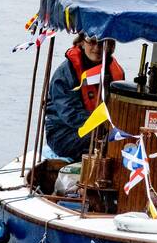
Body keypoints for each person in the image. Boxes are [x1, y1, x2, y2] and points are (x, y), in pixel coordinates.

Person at [45, 33, 124, 162]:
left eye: (103, 43)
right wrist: (102, 126)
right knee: (104, 141)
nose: (97, 48)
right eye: (92, 42)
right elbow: (69, 113)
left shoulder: (115, 71)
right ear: (81, 42)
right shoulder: (66, 72)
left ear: (110, 46)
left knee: (124, 140)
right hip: (63, 133)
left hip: (102, 128)